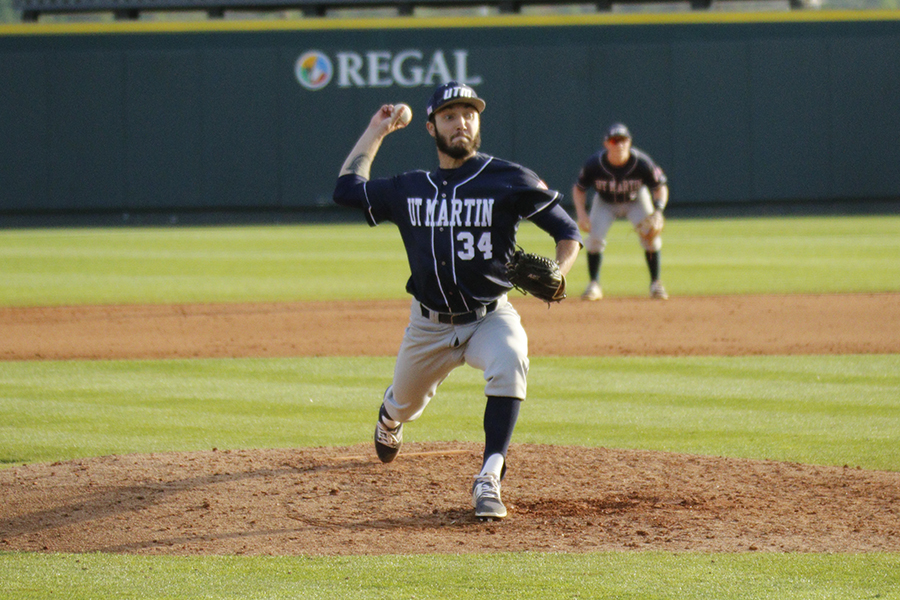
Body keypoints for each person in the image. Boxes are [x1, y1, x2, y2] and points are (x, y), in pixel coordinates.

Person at [332, 81, 581, 520]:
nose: (461, 122)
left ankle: (489, 476)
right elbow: (347, 189)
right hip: (428, 325)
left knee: (511, 359)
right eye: (449, 116)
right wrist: (376, 130)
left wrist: (559, 272)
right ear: (431, 128)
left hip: (490, 316)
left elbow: (568, 231)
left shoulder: (509, 178)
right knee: (405, 403)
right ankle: (390, 417)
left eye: (469, 114)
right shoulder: (411, 187)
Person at [571, 123, 670, 300]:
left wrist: (658, 211)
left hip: (636, 200)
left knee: (651, 237)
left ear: (629, 142)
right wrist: (581, 214)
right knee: (594, 239)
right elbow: (579, 189)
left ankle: (656, 284)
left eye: (623, 140)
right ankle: (594, 285)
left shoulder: (642, 162)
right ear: (606, 144)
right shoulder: (595, 163)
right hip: (605, 202)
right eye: (614, 140)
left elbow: (660, 187)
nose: (619, 144)